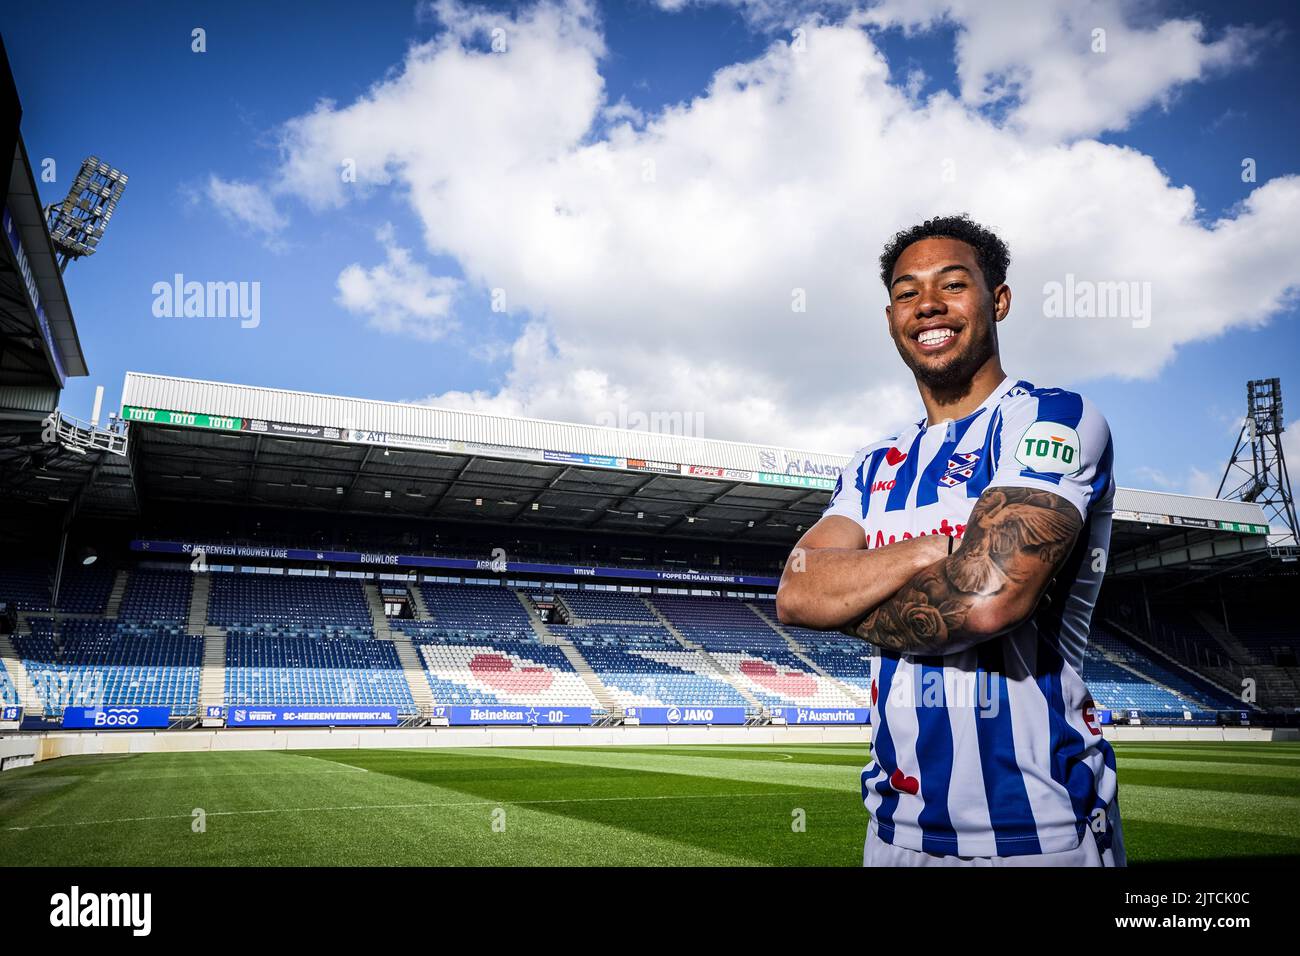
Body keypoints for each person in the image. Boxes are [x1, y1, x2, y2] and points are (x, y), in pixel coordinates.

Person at [775, 214, 1124, 866]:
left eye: (952, 284)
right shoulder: (871, 464)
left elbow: (985, 602)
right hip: (892, 834)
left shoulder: (1055, 419)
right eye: (907, 293)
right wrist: (926, 550)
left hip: (1038, 834)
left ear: (999, 300)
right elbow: (795, 591)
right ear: (889, 319)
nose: (927, 305)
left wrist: (843, 596)